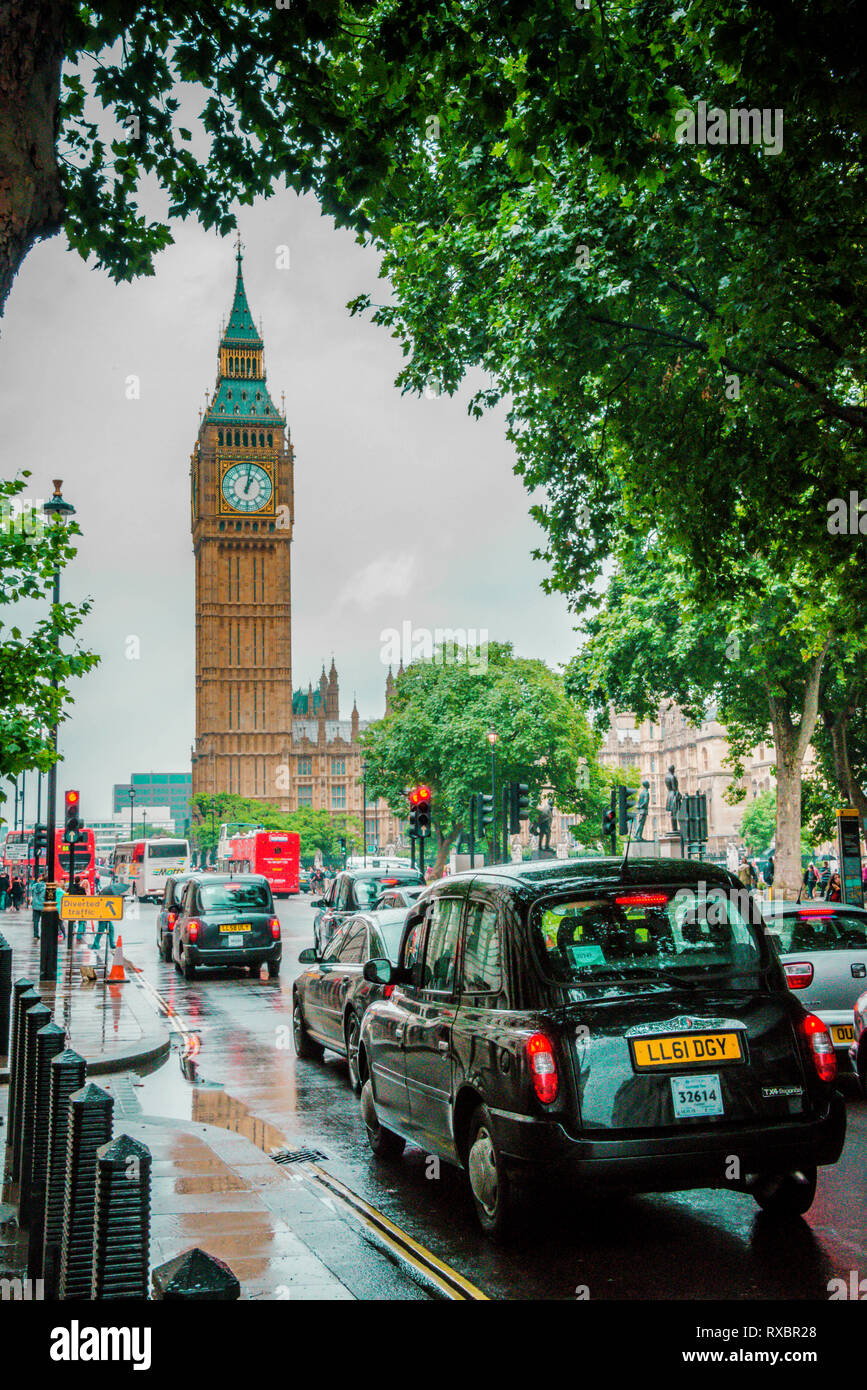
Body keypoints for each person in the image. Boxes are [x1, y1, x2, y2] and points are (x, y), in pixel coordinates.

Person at [30, 874, 46, 938]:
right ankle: (43, 934)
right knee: (43, 921)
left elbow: (32, 894)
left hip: (35, 905)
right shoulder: (46, 887)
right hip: (42, 906)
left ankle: (35, 935)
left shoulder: (35, 886)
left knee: (35, 921)